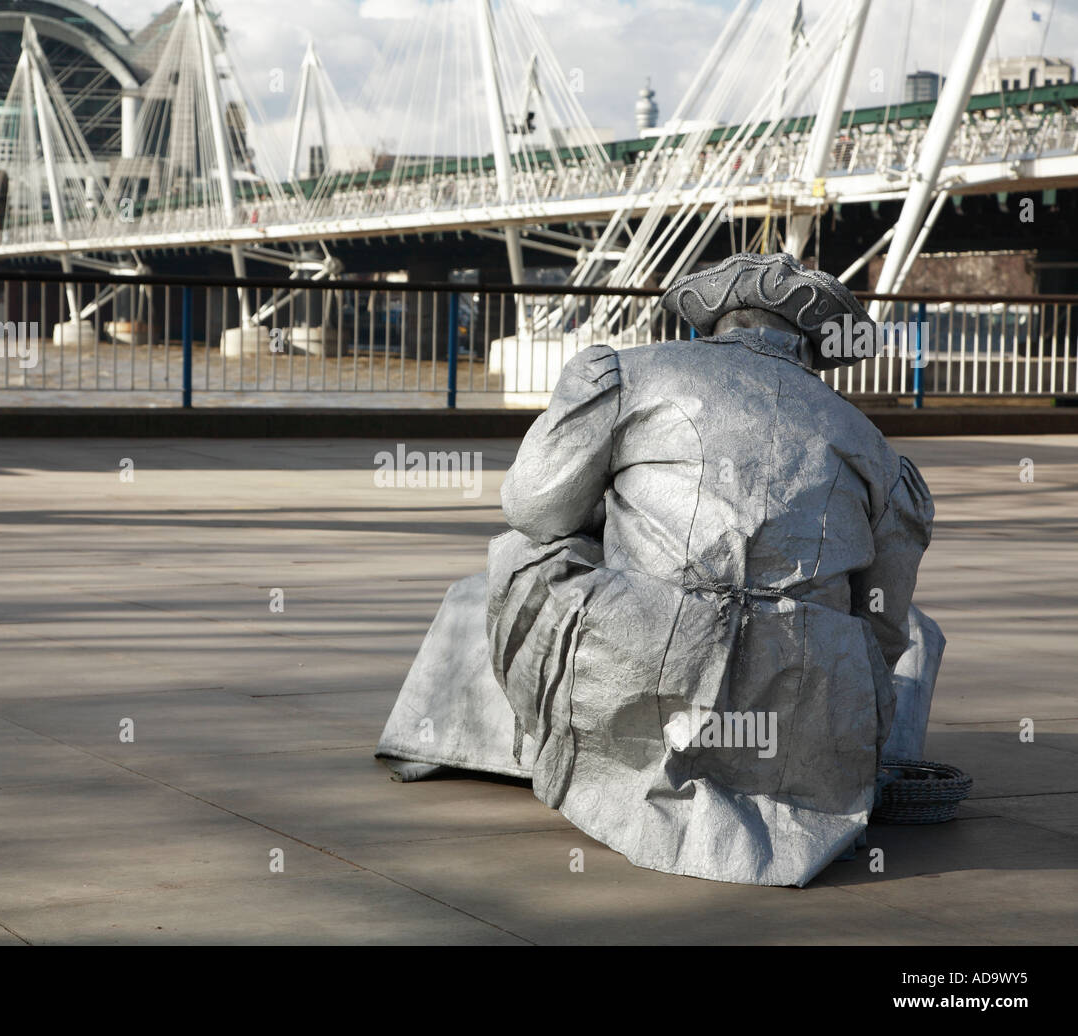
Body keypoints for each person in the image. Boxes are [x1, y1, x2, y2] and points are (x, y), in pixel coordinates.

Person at [377, 252, 942, 886]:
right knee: (906, 627)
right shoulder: (870, 443)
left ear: (714, 321)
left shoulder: (632, 372)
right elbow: (886, 626)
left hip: (635, 664)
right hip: (799, 705)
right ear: (815, 345)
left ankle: (466, 739)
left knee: (523, 553)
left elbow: (532, 507)